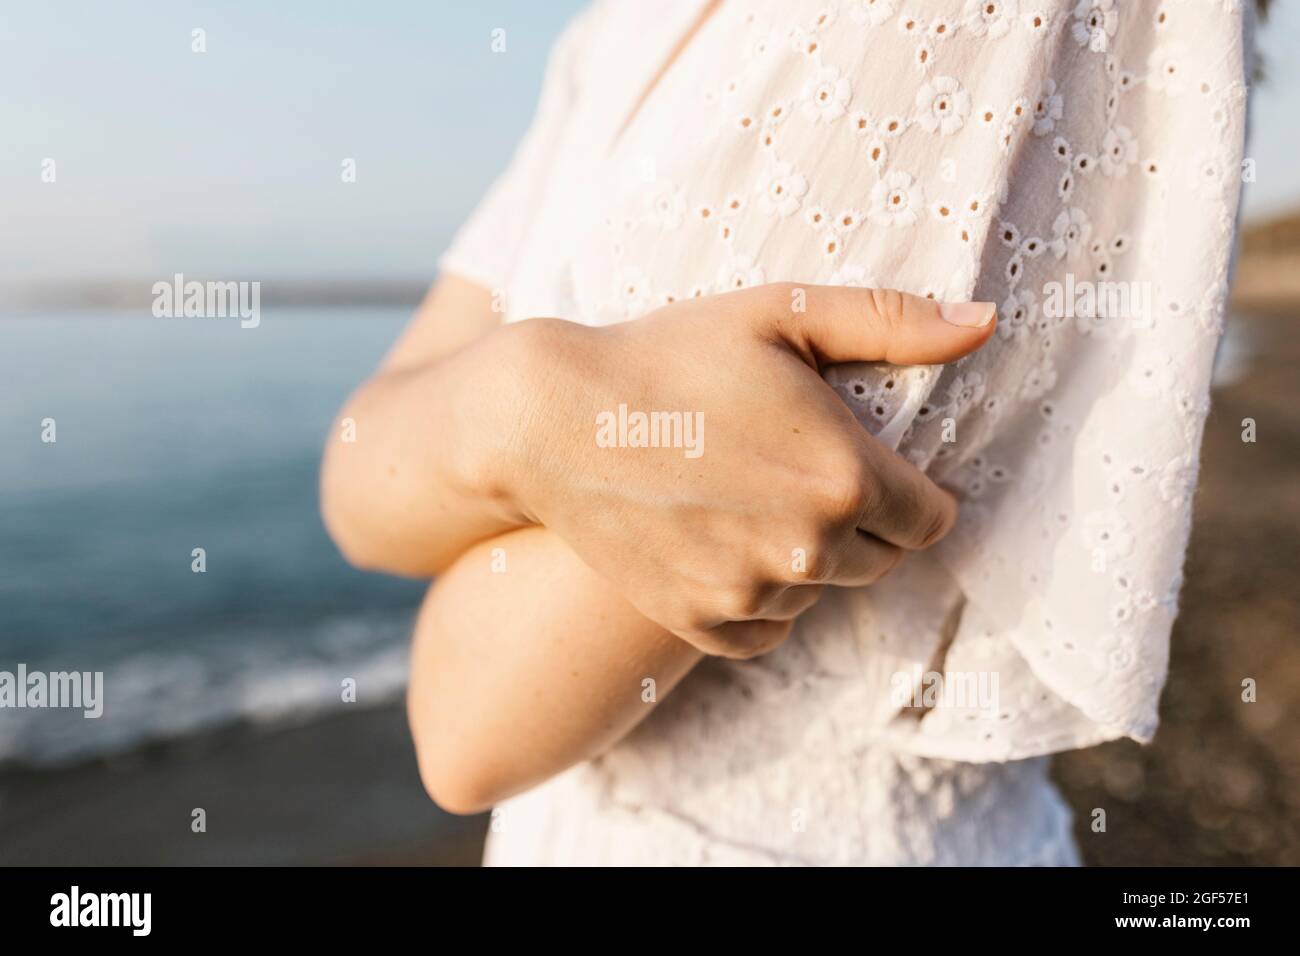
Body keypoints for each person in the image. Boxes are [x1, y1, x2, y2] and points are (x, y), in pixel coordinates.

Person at [321, 0, 1255, 865]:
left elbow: (469, 721)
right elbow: (355, 482)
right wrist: (523, 400)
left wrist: (488, 442)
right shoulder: (618, 25)